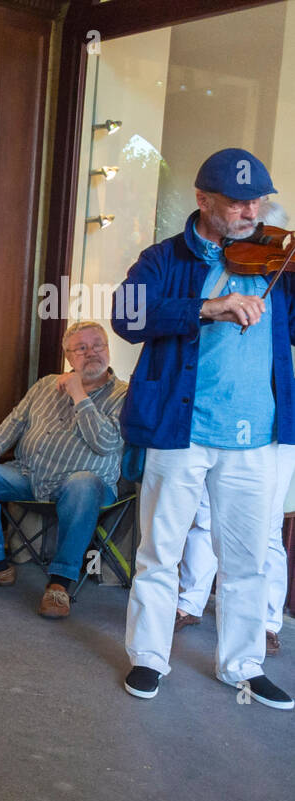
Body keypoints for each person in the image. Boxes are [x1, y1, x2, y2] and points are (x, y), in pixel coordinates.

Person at [113, 147, 295, 709]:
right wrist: (206, 307)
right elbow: (128, 317)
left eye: (258, 202)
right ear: (202, 200)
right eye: (237, 202)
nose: (250, 213)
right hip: (180, 431)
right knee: (159, 552)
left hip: (256, 437)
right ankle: (148, 658)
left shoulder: (279, 262)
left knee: (246, 560)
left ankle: (243, 665)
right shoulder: (164, 258)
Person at [0, 321, 127, 619]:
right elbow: (16, 421)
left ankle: (59, 585)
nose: (92, 353)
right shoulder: (47, 384)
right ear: (68, 356)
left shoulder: (123, 395)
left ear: (108, 349)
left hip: (86, 486)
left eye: (98, 345)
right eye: (82, 348)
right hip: (30, 474)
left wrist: (79, 396)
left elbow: (106, 444)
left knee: (83, 483)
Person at [174, 445, 295, 655]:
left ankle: (266, 623)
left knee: (266, 530)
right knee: (205, 519)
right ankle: (189, 604)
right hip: (225, 425)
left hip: (279, 434)